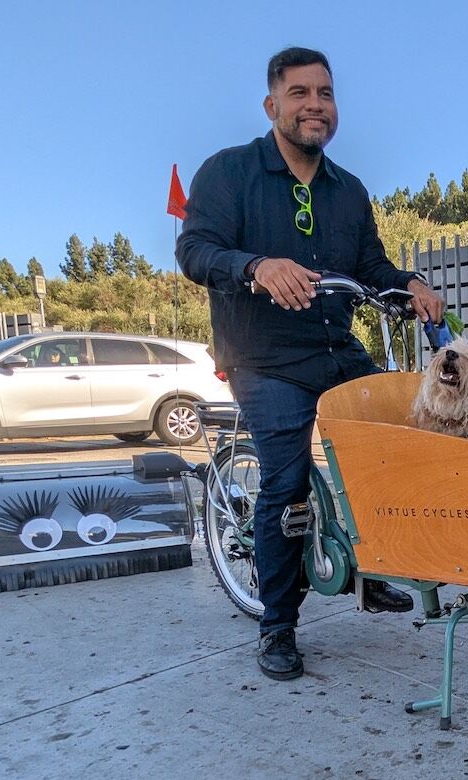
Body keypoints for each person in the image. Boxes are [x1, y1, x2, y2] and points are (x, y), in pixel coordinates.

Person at [177, 46, 445, 682]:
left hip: (334, 347)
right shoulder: (230, 173)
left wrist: (411, 285)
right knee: (288, 483)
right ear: (273, 106)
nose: (314, 105)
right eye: (300, 94)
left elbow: (371, 269)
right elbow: (194, 250)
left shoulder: (348, 191)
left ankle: (369, 568)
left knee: (398, 445)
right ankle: (278, 624)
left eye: (325, 94)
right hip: (264, 359)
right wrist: (255, 267)